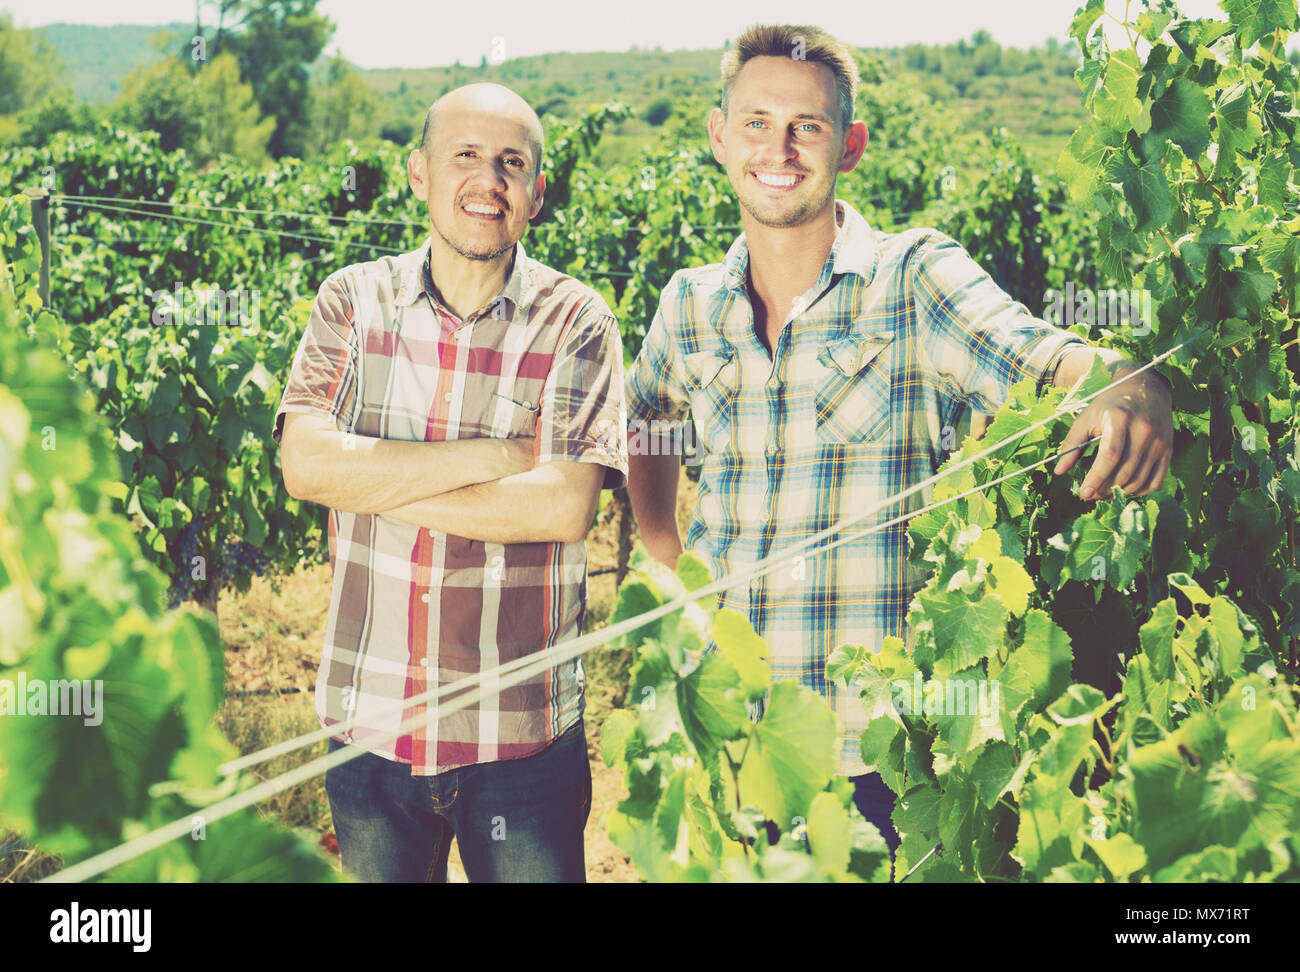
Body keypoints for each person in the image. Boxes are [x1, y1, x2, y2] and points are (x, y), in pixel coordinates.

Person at [623, 23, 1172, 863]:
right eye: (757, 122)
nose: (780, 147)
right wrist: (667, 545)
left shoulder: (914, 276)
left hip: (877, 761)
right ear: (719, 136)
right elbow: (648, 415)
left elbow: (1028, 347)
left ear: (851, 145)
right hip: (731, 745)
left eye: (806, 127)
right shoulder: (687, 304)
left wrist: (1118, 373)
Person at [273, 83, 628, 883]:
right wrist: (496, 456)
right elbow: (306, 466)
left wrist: (367, 478)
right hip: (372, 726)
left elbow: (565, 507)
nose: (488, 180)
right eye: (465, 155)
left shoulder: (577, 321)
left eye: (512, 163)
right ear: (419, 173)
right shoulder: (351, 302)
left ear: (537, 193)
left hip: (521, 740)